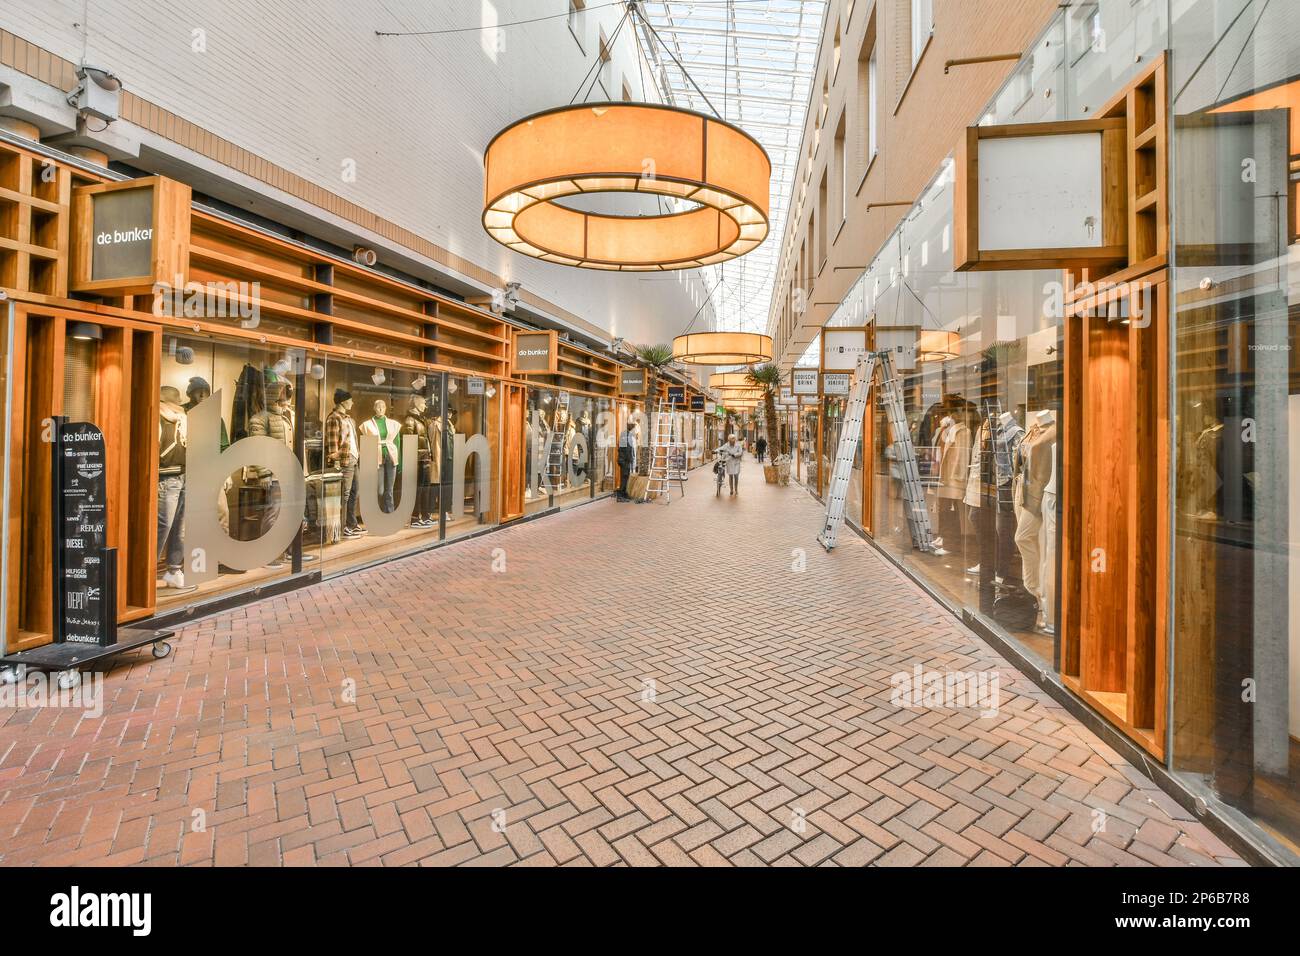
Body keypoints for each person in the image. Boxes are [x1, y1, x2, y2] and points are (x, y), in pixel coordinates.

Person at [616, 421, 637, 501]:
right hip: (624, 460)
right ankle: (621, 494)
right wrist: (629, 458)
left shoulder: (628, 434)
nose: (633, 429)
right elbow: (625, 449)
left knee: (626, 477)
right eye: (633, 427)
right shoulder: (625, 435)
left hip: (625, 460)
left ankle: (624, 493)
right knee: (624, 477)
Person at [721, 432, 744, 496]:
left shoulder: (738, 445)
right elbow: (721, 448)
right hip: (729, 462)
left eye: (734, 440)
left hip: (736, 462)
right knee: (730, 476)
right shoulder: (726, 445)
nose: (733, 441)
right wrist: (715, 451)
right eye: (731, 440)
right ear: (729, 440)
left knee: (736, 476)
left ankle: (736, 489)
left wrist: (735, 455)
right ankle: (731, 490)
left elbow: (740, 452)